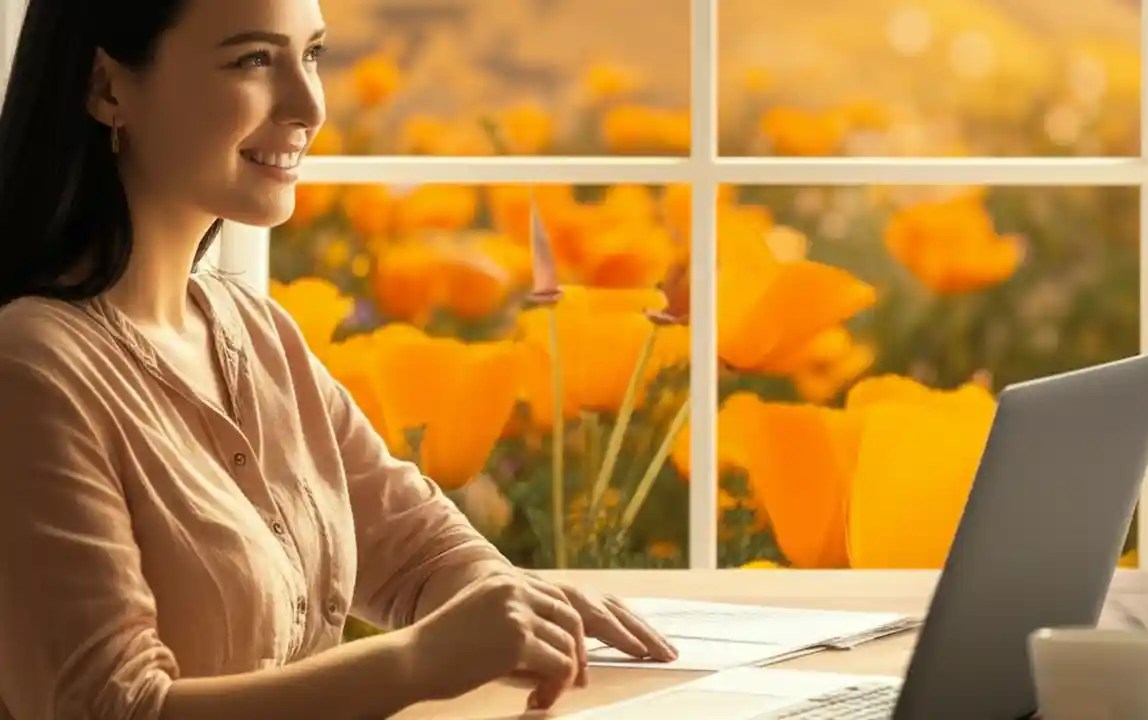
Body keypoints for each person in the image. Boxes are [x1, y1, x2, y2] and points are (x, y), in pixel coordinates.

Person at [0, 0, 679, 718]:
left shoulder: (253, 331)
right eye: (253, 60)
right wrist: (417, 661)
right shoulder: (32, 370)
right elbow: (111, 709)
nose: (308, 105)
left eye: (313, 55)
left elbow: (418, 551)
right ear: (108, 89)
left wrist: (513, 604)